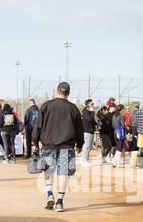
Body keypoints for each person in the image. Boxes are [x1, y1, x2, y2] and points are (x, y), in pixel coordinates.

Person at [33, 81, 83, 212]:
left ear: (56, 91)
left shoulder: (46, 105)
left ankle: (50, 194)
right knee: (63, 173)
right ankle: (60, 201)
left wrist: (35, 142)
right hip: (66, 145)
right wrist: (80, 144)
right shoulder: (73, 108)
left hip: (48, 145)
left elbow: (38, 126)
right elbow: (79, 129)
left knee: (48, 170)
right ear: (68, 93)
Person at [80, 99, 96, 165]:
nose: (93, 105)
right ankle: (84, 160)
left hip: (90, 131)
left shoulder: (89, 111)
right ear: (88, 104)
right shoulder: (85, 111)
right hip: (87, 131)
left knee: (88, 146)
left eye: (93, 104)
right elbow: (89, 119)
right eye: (91, 104)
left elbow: (92, 120)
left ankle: (83, 159)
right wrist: (92, 112)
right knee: (86, 146)